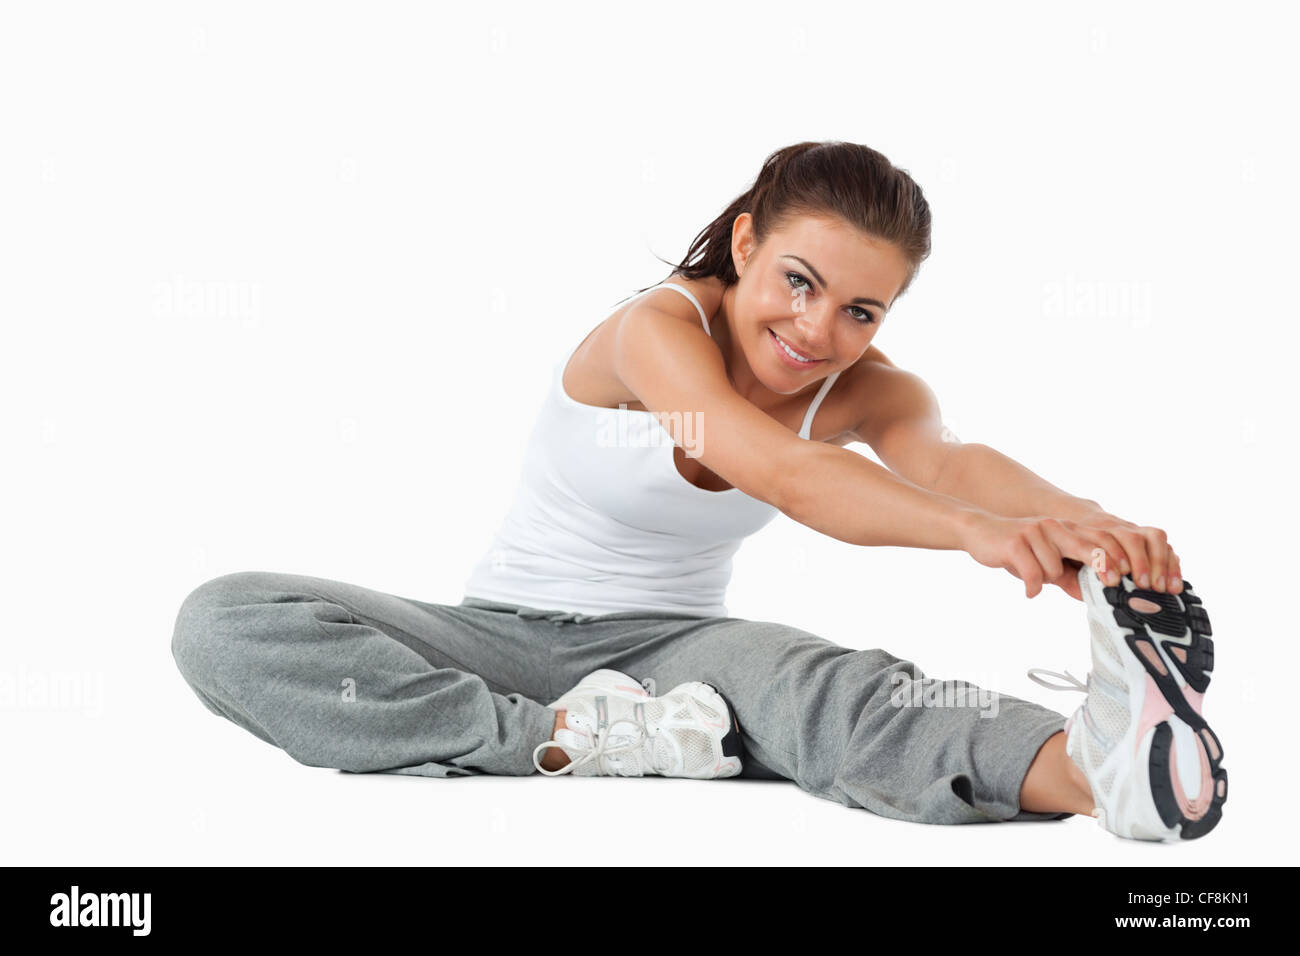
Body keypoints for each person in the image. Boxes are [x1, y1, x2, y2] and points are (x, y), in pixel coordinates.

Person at [171, 141, 1225, 841]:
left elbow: (950, 460)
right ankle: (556, 736)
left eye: (861, 311)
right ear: (747, 241)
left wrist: (1088, 527)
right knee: (227, 618)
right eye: (799, 283)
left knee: (827, 688)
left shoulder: (869, 388)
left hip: (679, 660)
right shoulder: (654, 333)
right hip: (493, 637)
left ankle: (1101, 770)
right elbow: (786, 473)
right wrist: (975, 535)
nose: (816, 332)